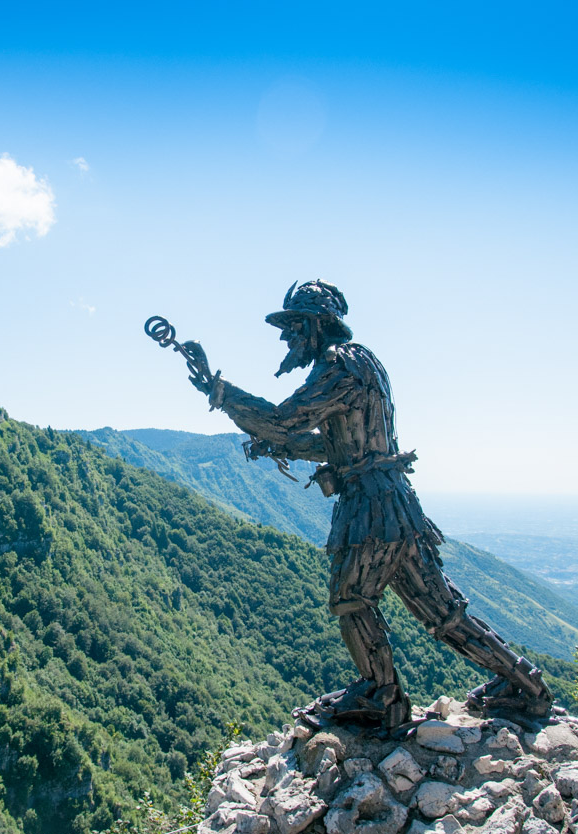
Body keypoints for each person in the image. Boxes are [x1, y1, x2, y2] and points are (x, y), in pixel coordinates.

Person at [187, 280, 555, 730]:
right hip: (392, 503)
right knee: (441, 611)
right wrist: (278, 444)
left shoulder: (340, 367)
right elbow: (337, 443)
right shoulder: (361, 362)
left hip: (370, 511)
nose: (286, 338)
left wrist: (224, 395)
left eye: (293, 326)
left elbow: (285, 422)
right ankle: (526, 686)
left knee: (351, 600)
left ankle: (383, 695)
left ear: (316, 324)